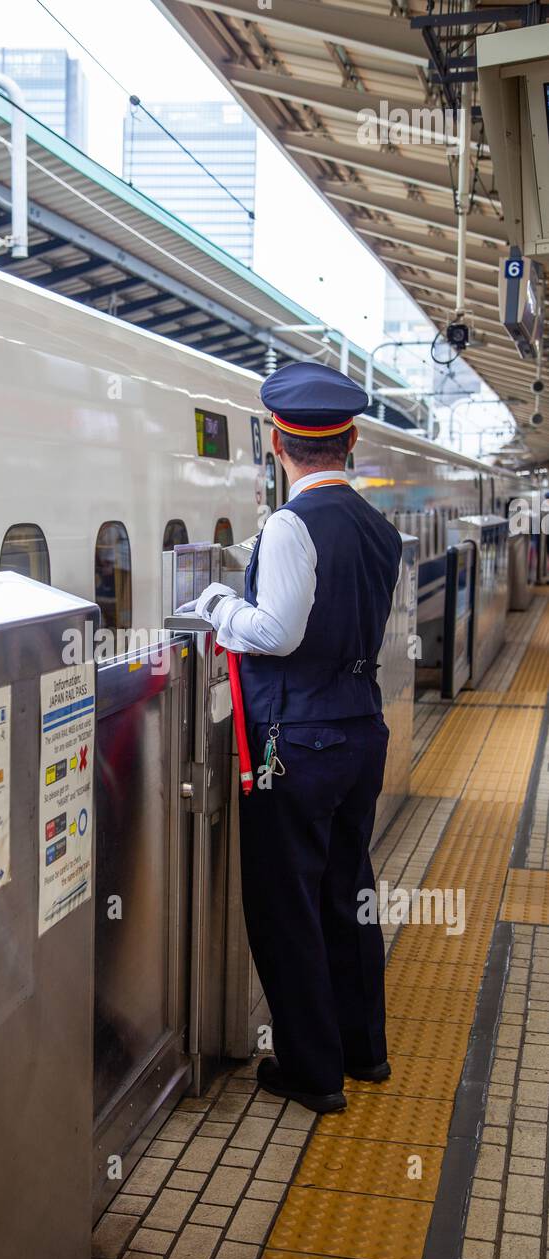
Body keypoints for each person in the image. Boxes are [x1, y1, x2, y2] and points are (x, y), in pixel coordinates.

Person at [182, 362, 402, 1113]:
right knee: (349, 893)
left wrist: (217, 603)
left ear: (278, 442)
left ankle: (311, 1071)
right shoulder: (377, 527)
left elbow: (275, 631)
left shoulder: (288, 525)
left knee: (287, 904)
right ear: (351, 440)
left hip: (292, 744)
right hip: (359, 731)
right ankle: (363, 1049)